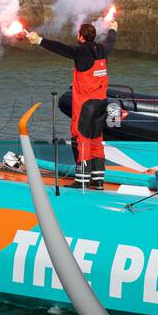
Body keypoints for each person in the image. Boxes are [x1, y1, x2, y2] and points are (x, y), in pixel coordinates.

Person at [27, 17, 117, 190]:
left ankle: (82, 180)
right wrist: (113, 28)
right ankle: (97, 181)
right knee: (96, 140)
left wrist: (39, 40)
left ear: (81, 37)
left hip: (85, 105)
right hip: (101, 102)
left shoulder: (82, 52)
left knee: (81, 139)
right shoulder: (103, 50)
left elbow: (61, 48)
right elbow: (111, 39)